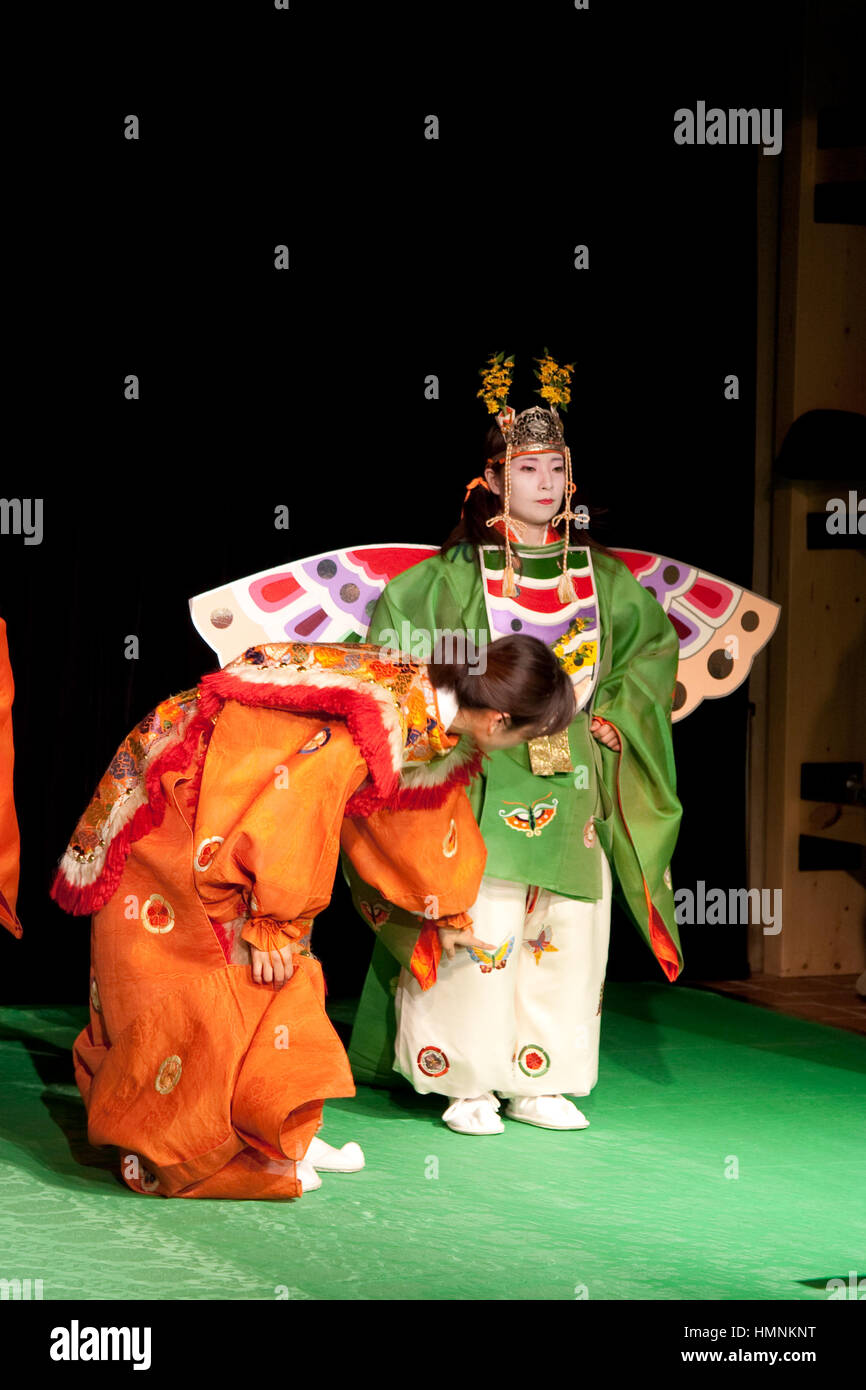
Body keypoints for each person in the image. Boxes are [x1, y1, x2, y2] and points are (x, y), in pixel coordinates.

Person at [49, 633, 575, 1197]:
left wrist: (443, 908)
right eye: (527, 735)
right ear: (497, 720)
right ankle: (192, 1142)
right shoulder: (382, 716)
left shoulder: (425, 711)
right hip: (185, 804)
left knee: (275, 976)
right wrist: (270, 919)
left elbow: (412, 811)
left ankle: (276, 1127)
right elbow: (295, 805)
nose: (523, 747)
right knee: (195, 972)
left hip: (241, 811)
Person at [345, 351, 684, 1134]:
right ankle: (462, 1078)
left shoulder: (606, 582)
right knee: (480, 924)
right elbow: (401, 667)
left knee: (567, 928)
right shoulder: (446, 582)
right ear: (492, 481)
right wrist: (461, 724)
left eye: (555, 469)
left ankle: (542, 1075)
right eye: (526, 468)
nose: (544, 483)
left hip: (572, 784)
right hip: (482, 776)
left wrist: (609, 721)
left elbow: (649, 656)